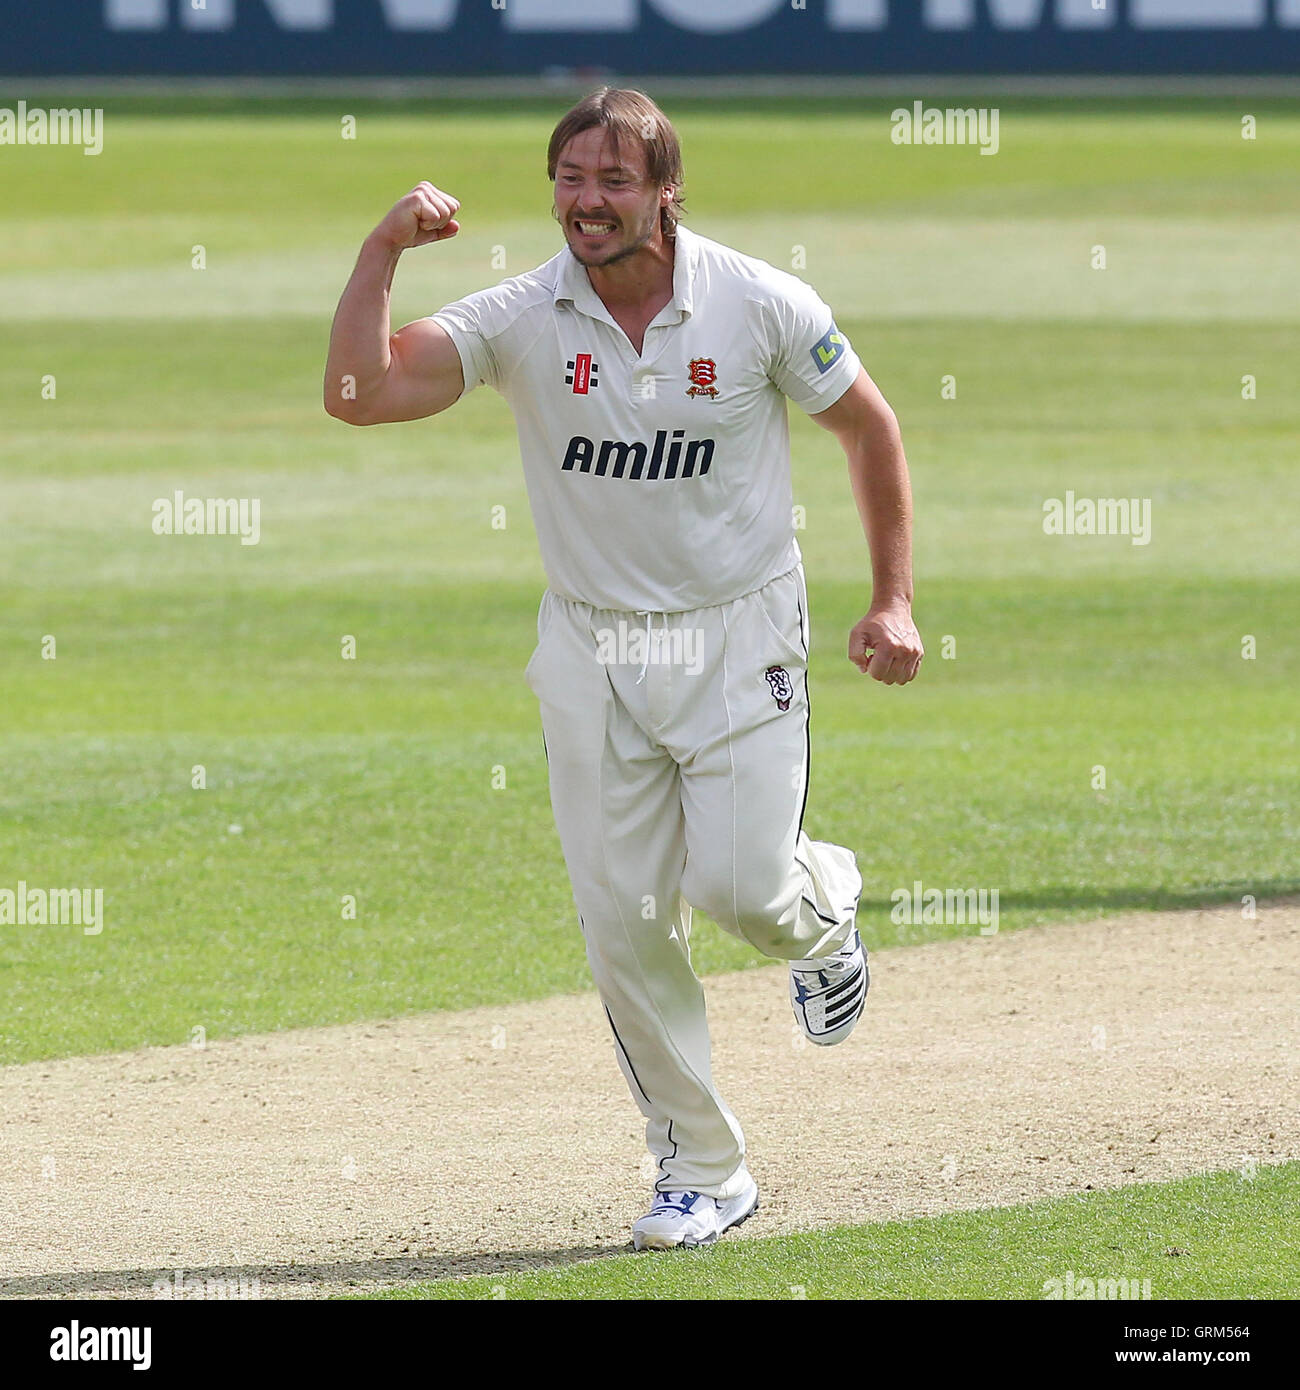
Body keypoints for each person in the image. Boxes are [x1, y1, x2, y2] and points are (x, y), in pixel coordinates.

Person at [325, 86, 923, 1251]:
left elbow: (870, 429)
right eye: (568, 180)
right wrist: (377, 252)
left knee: (744, 890)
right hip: (592, 652)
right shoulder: (521, 316)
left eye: (610, 181)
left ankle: (823, 912)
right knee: (625, 924)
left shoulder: (757, 303)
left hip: (738, 634)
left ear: (663, 192)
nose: (584, 203)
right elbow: (359, 395)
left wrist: (892, 597)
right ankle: (702, 1169)